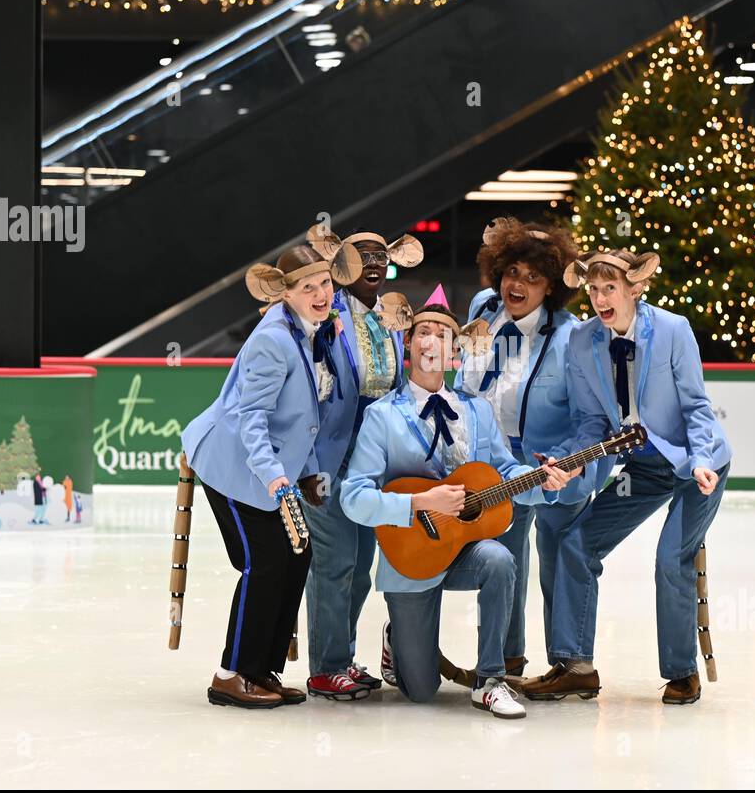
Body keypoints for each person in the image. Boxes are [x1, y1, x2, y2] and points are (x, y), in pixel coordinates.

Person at [339, 300, 580, 718]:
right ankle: (398, 639)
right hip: (410, 557)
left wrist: (546, 482)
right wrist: (420, 502)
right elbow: (353, 497)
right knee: (420, 692)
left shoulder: (477, 410)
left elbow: (506, 475)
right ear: (408, 344)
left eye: (443, 334)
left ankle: (489, 680)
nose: (432, 340)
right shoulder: (381, 417)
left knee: (501, 559)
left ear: (455, 352)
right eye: (423, 332)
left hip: (465, 551)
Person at [521, 249, 732, 706]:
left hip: (698, 465)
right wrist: (572, 460)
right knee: (577, 544)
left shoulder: (673, 330)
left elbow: (697, 407)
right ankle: (574, 665)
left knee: (670, 559)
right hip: (643, 469)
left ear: (635, 289)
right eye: (593, 289)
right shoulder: (582, 341)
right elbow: (592, 422)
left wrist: (699, 460)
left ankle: (681, 673)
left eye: (609, 288)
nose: (598, 298)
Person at [180, 235, 362, 709]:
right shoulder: (272, 341)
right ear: (285, 293)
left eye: (325, 283)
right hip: (234, 466)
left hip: (272, 467)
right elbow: (250, 418)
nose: (320, 294)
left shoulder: (310, 330)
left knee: (297, 556)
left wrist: (309, 473)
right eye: (308, 288)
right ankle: (230, 674)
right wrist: (275, 476)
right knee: (265, 563)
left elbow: (303, 419)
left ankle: (263, 668)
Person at [453, 217, 594, 679]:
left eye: (534, 279)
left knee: (560, 563)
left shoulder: (572, 335)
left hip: (547, 465)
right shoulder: (483, 307)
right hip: (487, 465)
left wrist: (571, 465)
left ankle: (572, 663)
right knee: (504, 561)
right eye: (513, 272)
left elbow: (590, 413)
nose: (520, 285)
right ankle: (507, 659)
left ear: (551, 289)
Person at [302, 226, 423, 701]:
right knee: (334, 562)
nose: (373, 264)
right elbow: (306, 398)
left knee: (361, 564)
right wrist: (309, 466)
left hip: (374, 463)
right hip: (328, 464)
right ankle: (324, 667)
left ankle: (342, 656)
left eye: (380, 257)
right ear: (341, 265)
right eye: (362, 256)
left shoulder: (390, 319)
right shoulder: (324, 319)